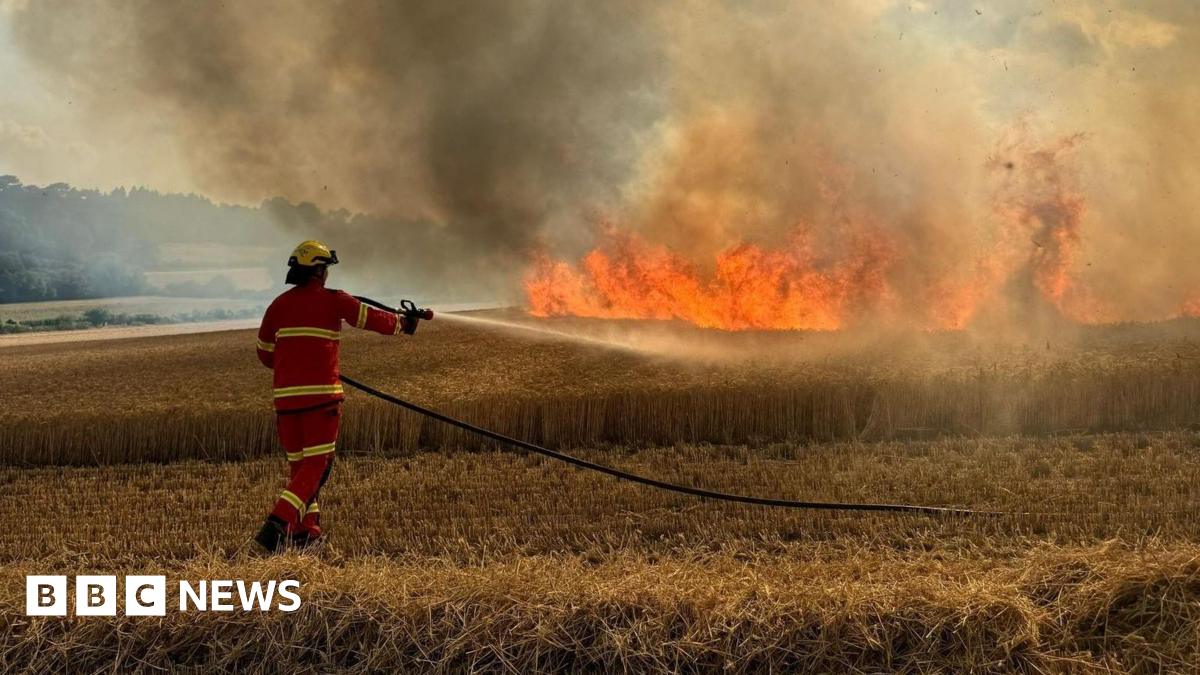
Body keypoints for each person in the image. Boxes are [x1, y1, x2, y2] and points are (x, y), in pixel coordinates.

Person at [252, 240, 418, 552]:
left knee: (300, 469)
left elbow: (265, 354)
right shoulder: (334, 299)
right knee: (318, 465)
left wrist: (294, 361)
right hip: (322, 401)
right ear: (318, 271)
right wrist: (404, 324)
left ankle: (306, 533)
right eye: (325, 268)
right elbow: (372, 319)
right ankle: (276, 525)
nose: (327, 274)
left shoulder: (277, 305)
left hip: (286, 404)